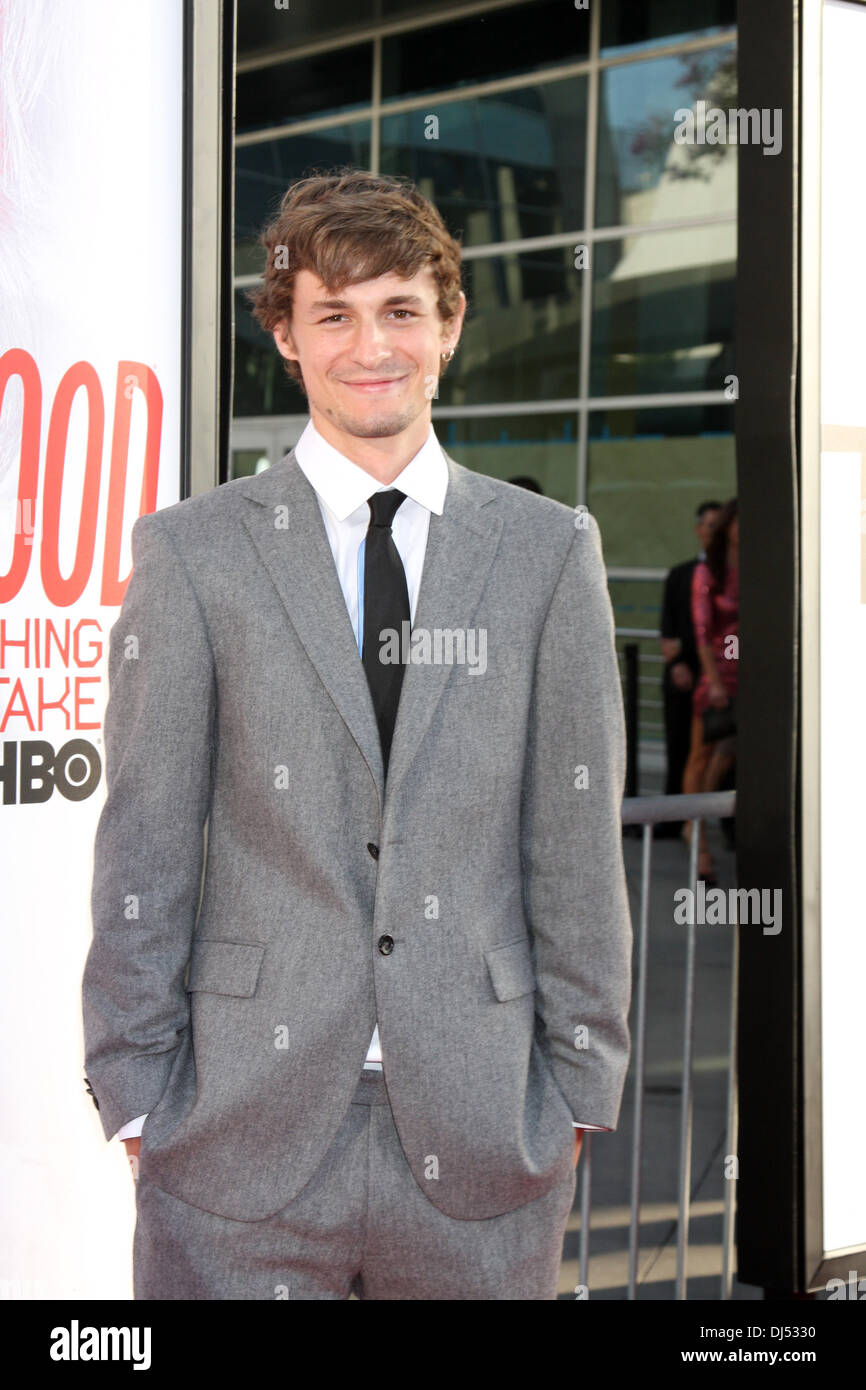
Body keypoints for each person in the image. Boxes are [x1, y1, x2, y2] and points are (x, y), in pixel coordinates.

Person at [81, 170, 633, 1301]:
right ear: (284, 332)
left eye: (399, 310)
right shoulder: (193, 553)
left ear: (449, 326)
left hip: (484, 1139)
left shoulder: (546, 552)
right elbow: (144, 831)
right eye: (332, 312)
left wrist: (580, 1086)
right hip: (234, 1138)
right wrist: (136, 1087)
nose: (368, 344)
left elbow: (571, 842)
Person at [680, 498, 739, 883]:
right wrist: (713, 681)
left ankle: (695, 821)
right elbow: (701, 632)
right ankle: (697, 838)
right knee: (701, 756)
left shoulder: (762, 567)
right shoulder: (708, 571)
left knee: (727, 756)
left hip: (751, 676)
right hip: (716, 675)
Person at [657, 501, 722, 837]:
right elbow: (668, 629)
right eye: (710, 526)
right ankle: (675, 820)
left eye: (720, 525)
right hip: (687, 675)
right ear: (698, 530)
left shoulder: (735, 575)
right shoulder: (681, 574)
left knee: (721, 754)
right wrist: (677, 664)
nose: (715, 532)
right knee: (682, 748)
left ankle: (715, 822)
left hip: (723, 679)